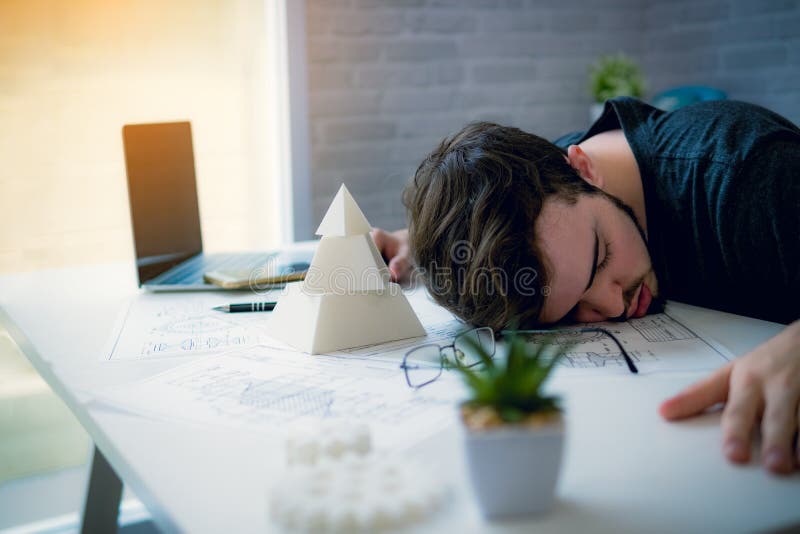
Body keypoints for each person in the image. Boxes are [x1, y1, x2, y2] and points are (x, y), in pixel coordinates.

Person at [372, 97, 800, 474]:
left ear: (582, 167)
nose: (613, 306)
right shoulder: (552, 203)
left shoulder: (749, 173)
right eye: (572, 311)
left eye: (601, 258)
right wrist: (421, 247)